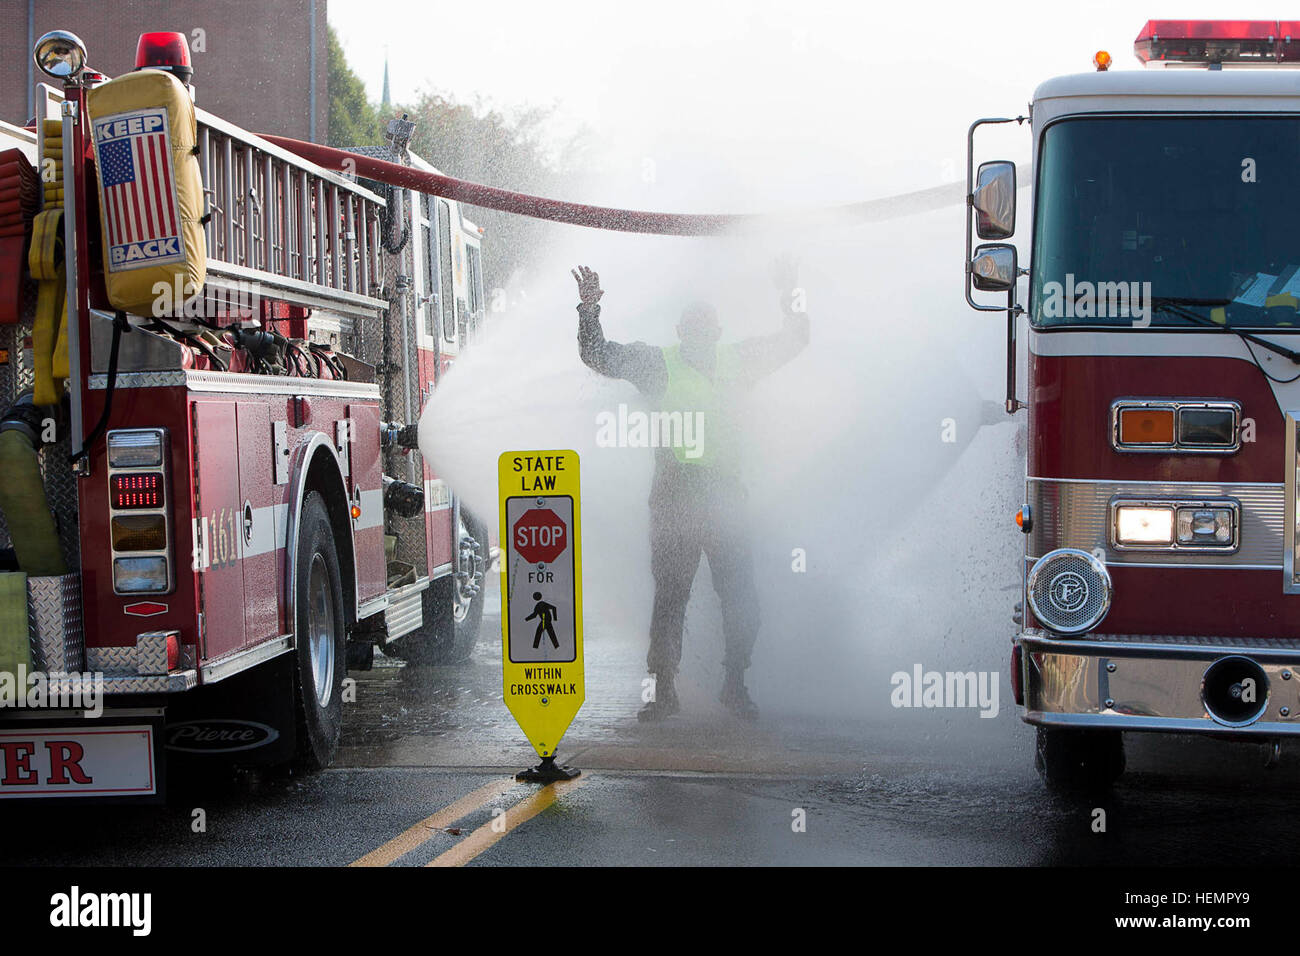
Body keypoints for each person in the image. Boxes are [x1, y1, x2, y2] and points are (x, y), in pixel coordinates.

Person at [573, 259, 810, 721]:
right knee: (672, 598)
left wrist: (790, 291)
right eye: (693, 329)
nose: (700, 337)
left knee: (738, 597)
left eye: (706, 329)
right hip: (676, 497)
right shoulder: (658, 363)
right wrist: (588, 309)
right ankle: (664, 691)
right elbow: (598, 354)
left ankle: (733, 682)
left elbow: (795, 340)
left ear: (716, 333)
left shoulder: (736, 361)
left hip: (723, 498)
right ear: (682, 332)